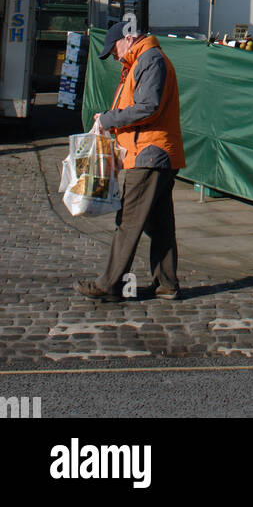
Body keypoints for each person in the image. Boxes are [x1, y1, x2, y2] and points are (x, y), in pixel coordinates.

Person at [76, 20, 186, 302]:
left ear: (127, 39)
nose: (113, 55)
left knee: (129, 221)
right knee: (159, 222)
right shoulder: (146, 60)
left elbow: (147, 107)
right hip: (156, 152)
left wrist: (109, 119)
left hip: (149, 153)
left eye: (113, 48)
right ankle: (166, 283)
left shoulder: (148, 60)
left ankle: (110, 284)